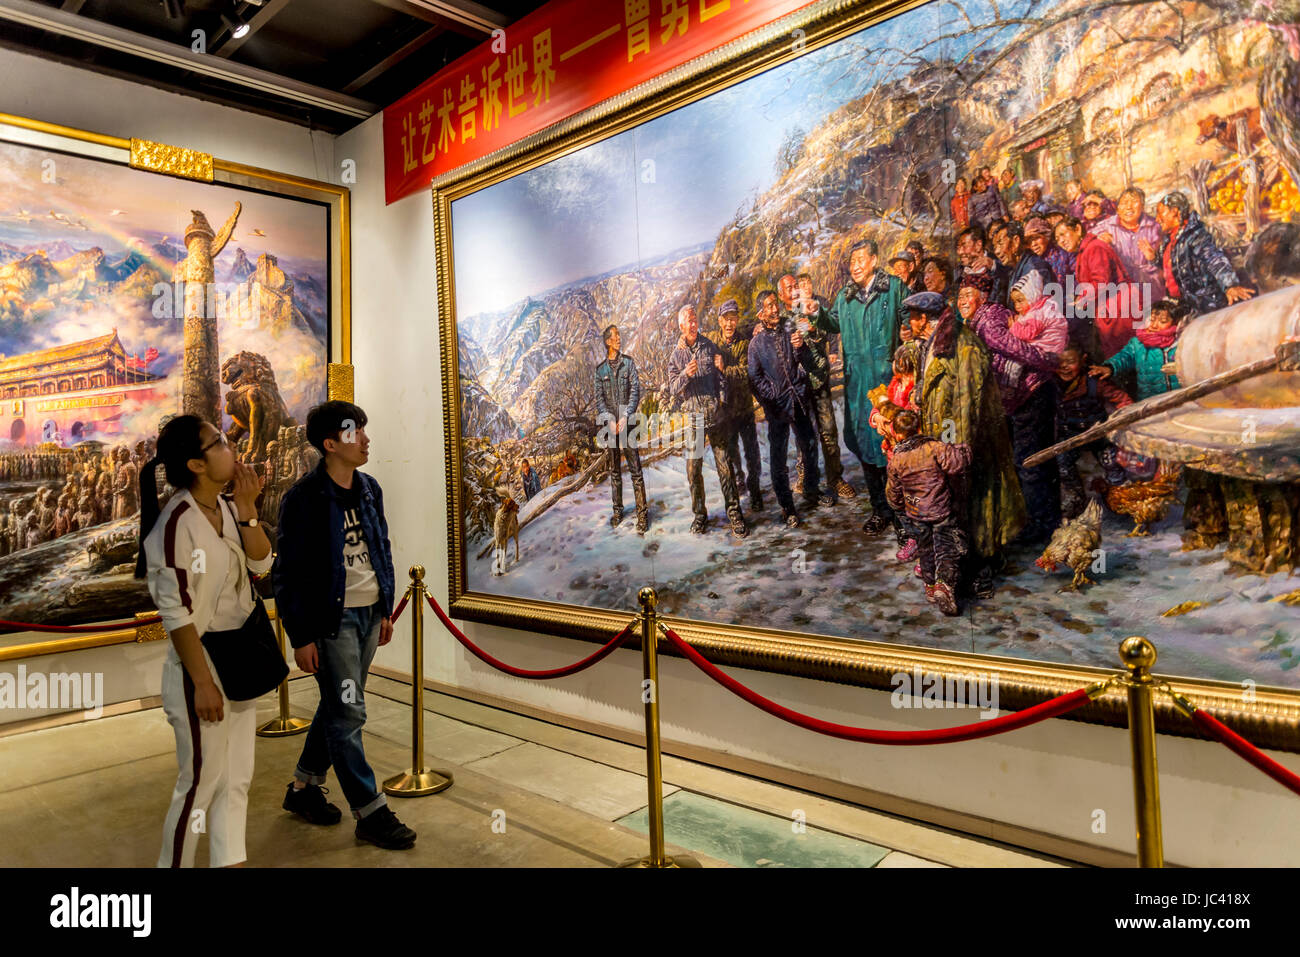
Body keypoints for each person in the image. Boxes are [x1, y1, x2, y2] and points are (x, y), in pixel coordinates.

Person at [274, 401, 413, 850]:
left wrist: (385, 609)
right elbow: (288, 574)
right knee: (348, 713)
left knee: (337, 706)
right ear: (330, 444)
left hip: (369, 615)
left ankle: (304, 788)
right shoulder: (302, 500)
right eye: (355, 432)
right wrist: (300, 636)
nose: (365, 438)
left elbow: (381, 550)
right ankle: (370, 812)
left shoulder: (370, 488)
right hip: (331, 622)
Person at [136, 414, 272, 867]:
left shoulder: (229, 509)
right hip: (201, 666)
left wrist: (250, 509)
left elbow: (261, 567)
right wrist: (202, 683)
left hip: (237, 656)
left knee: (236, 778)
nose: (230, 447)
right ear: (196, 464)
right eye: (219, 443)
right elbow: (175, 613)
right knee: (199, 784)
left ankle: (228, 861)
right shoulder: (177, 523)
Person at [907, 290, 1026, 598]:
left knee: (979, 503)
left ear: (925, 318)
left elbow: (966, 403)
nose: (909, 323)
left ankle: (983, 569)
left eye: (913, 317)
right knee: (958, 506)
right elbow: (929, 380)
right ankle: (966, 565)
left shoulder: (965, 346)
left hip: (969, 440)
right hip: (944, 437)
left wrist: (956, 449)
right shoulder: (932, 343)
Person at [808, 238, 907, 539]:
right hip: (857, 386)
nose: (855, 265)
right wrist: (816, 313)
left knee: (895, 447)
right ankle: (880, 510)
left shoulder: (894, 288)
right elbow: (833, 323)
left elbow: (909, 322)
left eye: (861, 259)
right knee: (865, 445)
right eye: (852, 261)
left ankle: (903, 517)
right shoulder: (846, 296)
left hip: (888, 383)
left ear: (875, 260)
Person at [961, 274, 1061, 544]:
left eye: (967, 295)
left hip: (1031, 392)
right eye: (959, 296)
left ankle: (1042, 526)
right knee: (1031, 460)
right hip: (1023, 394)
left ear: (982, 298)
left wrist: (1046, 360)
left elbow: (1012, 347)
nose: (961, 301)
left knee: (1030, 461)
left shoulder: (988, 320)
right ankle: (1042, 521)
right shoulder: (982, 318)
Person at [749, 290, 828, 527]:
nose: (775, 309)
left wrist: (801, 345)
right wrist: (771, 396)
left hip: (800, 399)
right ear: (760, 313)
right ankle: (787, 506)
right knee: (778, 458)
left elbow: (808, 358)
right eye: (769, 306)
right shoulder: (756, 344)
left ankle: (812, 491)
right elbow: (754, 378)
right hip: (777, 408)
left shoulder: (791, 326)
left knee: (810, 445)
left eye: (776, 304)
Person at [668, 304, 746, 537]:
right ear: (681, 327)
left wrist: (720, 401)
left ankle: (735, 514)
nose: (693, 325)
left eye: (694, 320)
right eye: (688, 322)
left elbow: (721, 378)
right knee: (693, 470)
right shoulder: (676, 356)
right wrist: (685, 375)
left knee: (725, 467)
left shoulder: (709, 346)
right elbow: (673, 388)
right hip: (695, 421)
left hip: (716, 417)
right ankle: (700, 516)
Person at [885, 409, 972, 617]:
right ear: (919, 428)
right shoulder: (934, 447)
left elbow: (893, 490)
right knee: (946, 549)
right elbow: (956, 464)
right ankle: (945, 584)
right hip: (940, 510)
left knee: (925, 549)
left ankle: (931, 586)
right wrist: (965, 449)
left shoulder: (896, 459)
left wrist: (898, 507)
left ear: (896, 434)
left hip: (915, 512)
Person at [1055, 344, 1132, 517]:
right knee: (1062, 465)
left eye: (1070, 361)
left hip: (1098, 433)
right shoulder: (1052, 384)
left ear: (1082, 361)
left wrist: (1123, 419)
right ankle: (1075, 500)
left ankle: (1121, 498)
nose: (1064, 367)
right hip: (1069, 435)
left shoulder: (1094, 381)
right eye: (1060, 362)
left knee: (1111, 461)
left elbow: (1121, 399)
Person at [1154, 190, 1256, 317]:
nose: (1157, 219)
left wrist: (1230, 285)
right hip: (1183, 305)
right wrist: (1153, 258)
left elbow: (1214, 258)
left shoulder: (1195, 237)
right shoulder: (1168, 241)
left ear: (1174, 211)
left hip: (1205, 306)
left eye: (1160, 212)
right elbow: (1172, 267)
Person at [1055, 216, 1134, 359]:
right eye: (1057, 239)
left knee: (1122, 358)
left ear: (1078, 229)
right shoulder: (1085, 250)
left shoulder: (1094, 248)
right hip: (1111, 311)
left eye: (1063, 234)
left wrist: (1082, 297)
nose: (1061, 241)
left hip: (1119, 311)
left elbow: (1101, 282)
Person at [593, 324, 648, 532]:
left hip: (628, 425)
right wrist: (609, 420)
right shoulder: (600, 371)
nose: (619, 339)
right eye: (615, 337)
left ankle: (642, 515)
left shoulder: (628, 364)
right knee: (614, 472)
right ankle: (618, 511)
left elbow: (635, 390)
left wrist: (625, 416)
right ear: (608, 342)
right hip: (610, 428)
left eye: (619, 336)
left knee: (636, 471)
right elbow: (599, 400)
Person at [715, 299, 764, 511]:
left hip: (743, 408)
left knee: (752, 452)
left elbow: (747, 372)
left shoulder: (745, 342)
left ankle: (755, 490)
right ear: (719, 321)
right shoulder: (712, 342)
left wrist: (725, 369)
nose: (729, 324)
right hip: (725, 412)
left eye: (733, 319)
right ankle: (739, 481)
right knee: (732, 452)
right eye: (726, 319)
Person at [1091, 298, 1184, 400]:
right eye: (1152, 320)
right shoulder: (1138, 343)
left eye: (1162, 321)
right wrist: (1110, 367)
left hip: (1179, 398)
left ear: (1175, 323)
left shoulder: (1181, 342)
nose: (1154, 325)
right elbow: (1124, 357)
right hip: (1149, 401)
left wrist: (1181, 368)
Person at [1095, 186, 1166, 302]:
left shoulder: (1156, 226)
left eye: (1134, 202)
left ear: (1142, 206)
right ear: (1117, 208)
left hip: (1153, 293)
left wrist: (1154, 257)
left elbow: (1169, 262)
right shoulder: (1106, 226)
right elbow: (1086, 240)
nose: (1129, 207)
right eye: (1124, 203)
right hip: (1123, 296)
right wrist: (1098, 240)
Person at [1007, 271, 1069, 355]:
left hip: (1049, 348)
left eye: (1020, 301)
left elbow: (1028, 333)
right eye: (1014, 302)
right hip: (1057, 346)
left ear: (1032, 296)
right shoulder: (1042, 305)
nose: (1017, 306)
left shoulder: (1037, 313)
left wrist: (1014, 328)